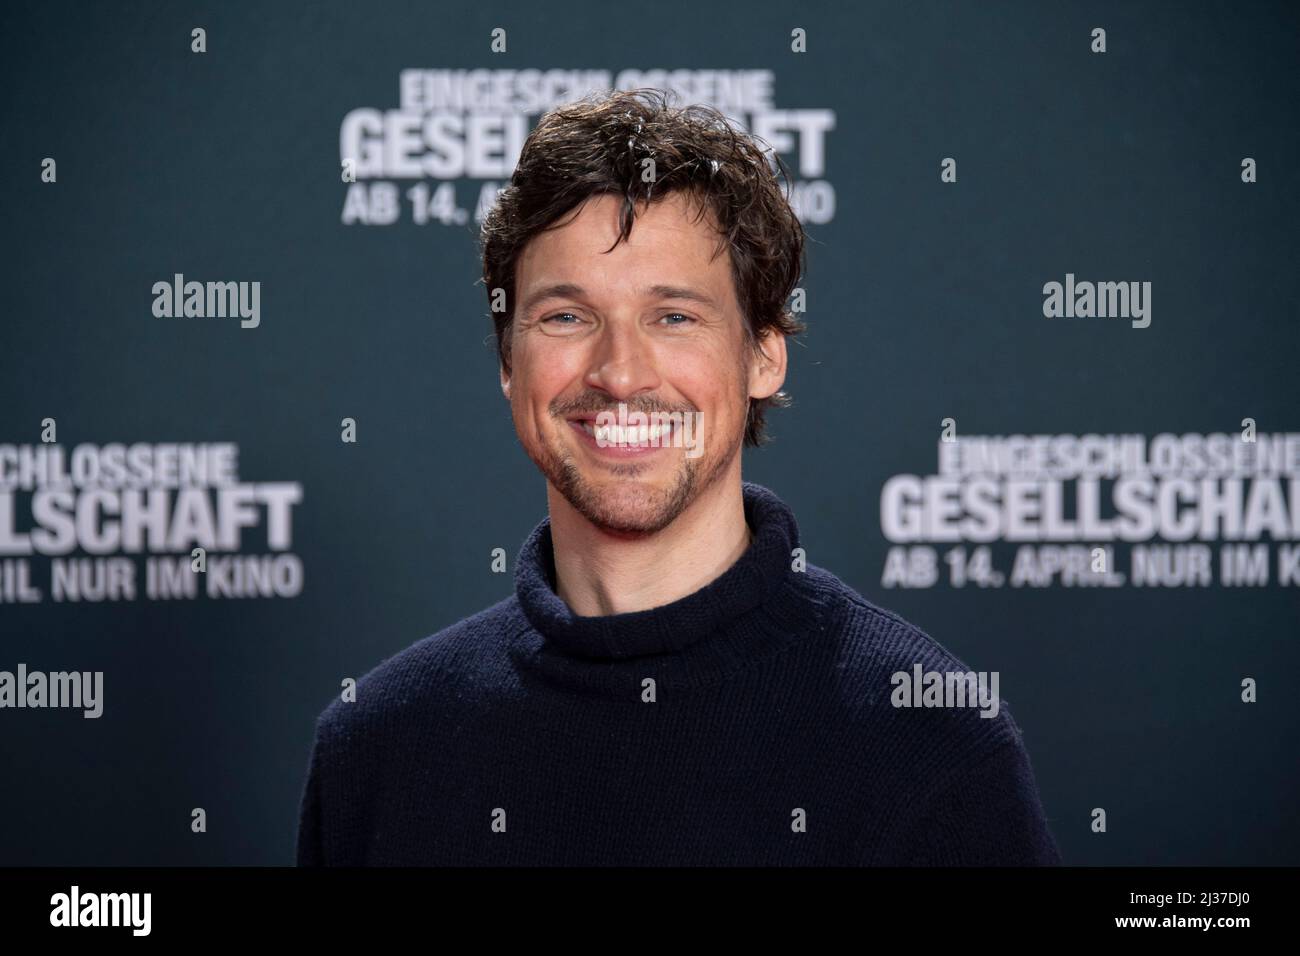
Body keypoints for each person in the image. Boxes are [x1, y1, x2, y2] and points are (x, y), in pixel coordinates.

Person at [296, 88, 1061, 866]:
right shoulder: (380, 747)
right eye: (567, 315)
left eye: (675, 317)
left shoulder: (927, 739)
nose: (620, 373)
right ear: (507, 361)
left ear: (764, 353)